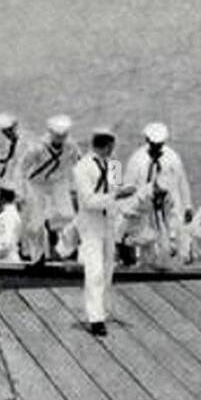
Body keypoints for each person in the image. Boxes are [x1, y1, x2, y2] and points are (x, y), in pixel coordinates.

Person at [72, 125, 137, 337]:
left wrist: (124, 197)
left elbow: (116, 189)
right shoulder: (82, 168)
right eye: (110, 146)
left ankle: (104, 308)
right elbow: (89, 200)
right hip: (91, 224)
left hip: (109, 222)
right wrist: (117, 196)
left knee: (108, 268)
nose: (112, 150)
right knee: (94, 270)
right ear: (106, 145)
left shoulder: (114, 165)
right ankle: (95, 318)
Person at [120, 122, 194, 267]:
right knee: (147, 240)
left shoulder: (173, 158)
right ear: (147, 141)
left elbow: (182, 182)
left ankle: (175, 257)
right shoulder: (137, 159)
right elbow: (128, 185)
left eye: (159, 145)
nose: (156, 148)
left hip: (168, 202)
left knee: (172, 236)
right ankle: (139, 257)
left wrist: (188, 205)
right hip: (144, 205)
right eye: (154, 144)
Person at [19, 115, 80, 264]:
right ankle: (37, 256)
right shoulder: (37, 148)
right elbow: (21, 169)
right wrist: (20, 191)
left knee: (67, 217)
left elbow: (81, 164)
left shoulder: (71, 146)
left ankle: (62, 250)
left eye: (63, 136)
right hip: (36, 184)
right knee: (36, 223)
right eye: (57, 136)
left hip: (58, 182)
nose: (60, 140)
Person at [0, 113, 21, 182]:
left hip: (13, 151)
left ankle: (2, 176)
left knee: (9, 163)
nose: (5, 135)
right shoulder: (13, 139)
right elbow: (10, 157)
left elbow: (11, 156)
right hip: (12, 150)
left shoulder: (15, 140)